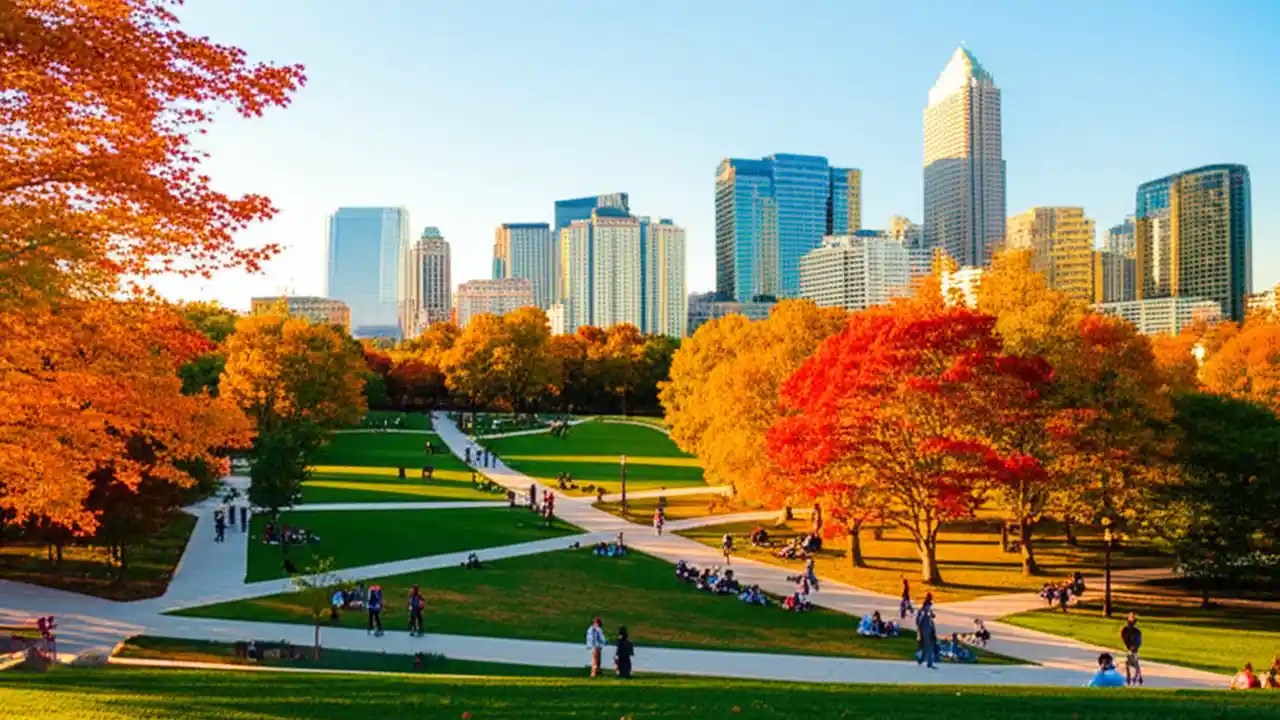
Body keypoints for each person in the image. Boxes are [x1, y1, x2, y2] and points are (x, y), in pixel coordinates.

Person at [1120, 612, 1143, 686]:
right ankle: (1130, 678)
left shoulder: (1137, 631)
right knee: (1129, 663)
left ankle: (1134, 678)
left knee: (1133, 663)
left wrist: (1134, 647)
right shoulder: (1125, 629)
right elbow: (1123, 638)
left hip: (1134, 650)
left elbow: (1139, 641)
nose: (1132, 623)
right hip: (1130, 649)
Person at [915, 593, 936, 669]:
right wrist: (920, 630)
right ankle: (929, 663)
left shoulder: (924, 611)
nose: (930, 607)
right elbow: (919, 621)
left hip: (927, 631)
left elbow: (931, 617)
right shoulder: (924, 611)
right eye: (930, 605)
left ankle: (921, 660)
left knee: (925, 647)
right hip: (925, 631)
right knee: (929, 646)